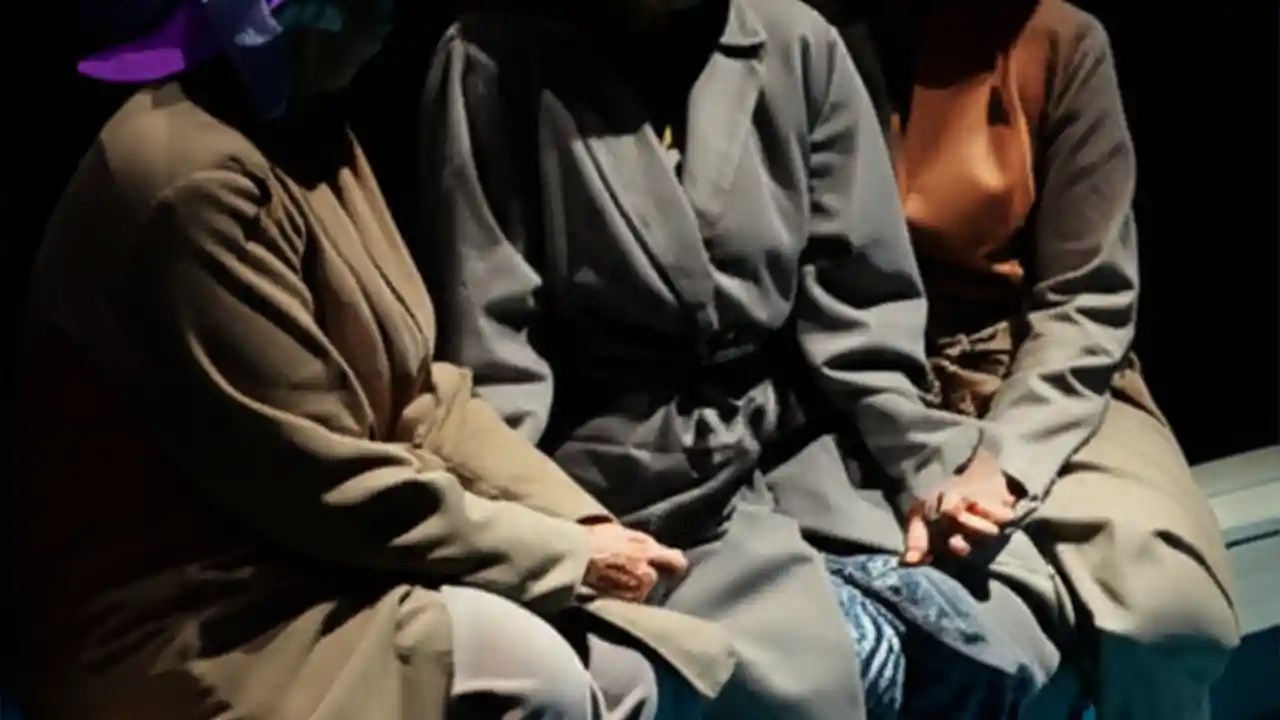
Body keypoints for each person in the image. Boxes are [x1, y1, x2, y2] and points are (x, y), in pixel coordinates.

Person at [12, 1, 741, 718]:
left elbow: (421, 397)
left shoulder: (311, 127)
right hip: (198, 616)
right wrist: (560, 558)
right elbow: (320, 483)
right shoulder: (193, 182)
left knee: (632, 669)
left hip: (313, 560)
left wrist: (578, 524)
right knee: (534, 672)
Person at [420, 1, 1065, 718]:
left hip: (796, 449)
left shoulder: (796, 40)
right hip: (617, 479)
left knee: (993, 638)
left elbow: (860, 314)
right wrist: (549, 528)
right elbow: (495, 346)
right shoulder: (494, 57)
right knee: (813, 680)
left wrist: (925, 470)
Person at [805, 0, 1242, 718]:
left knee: (1168, 612)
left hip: (1036, 369)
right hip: (848, 387)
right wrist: (917, 452)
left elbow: (1088, 294)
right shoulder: (794, 35)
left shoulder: (1058, 42)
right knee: (911, 634)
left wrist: (1002, 463)